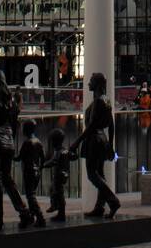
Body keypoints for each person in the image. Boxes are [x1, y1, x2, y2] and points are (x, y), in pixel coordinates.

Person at [0, 70, 32, 232]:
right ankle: (24, 212)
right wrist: (11, 144)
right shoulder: (11, 103)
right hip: (8, 145)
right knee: (8, 181)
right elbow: (15, 127)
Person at [70, 71, 120, 219]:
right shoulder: (107, 100)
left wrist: (76, 142)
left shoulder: (99, 101)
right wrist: (110, 145)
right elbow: (111, 125)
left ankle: (113, 201)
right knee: (100, 174)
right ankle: (99, 207)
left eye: (91, 81)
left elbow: (91, 126)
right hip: (102, 140)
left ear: (97, 84)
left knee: (93, 175)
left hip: (94, 140)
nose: (88, 83)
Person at [16, 119, 46, 227]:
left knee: (30, 196)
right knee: (31, 194)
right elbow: (43, 159)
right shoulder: (38, 141)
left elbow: (19, 158)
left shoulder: (27, 142)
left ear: (26, 129)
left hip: (29, 172)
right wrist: (39, 169)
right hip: (36, 172)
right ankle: (32, 217)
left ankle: (40, 217)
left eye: (23, 127)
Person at [44, 128, 73, 221]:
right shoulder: (65, 150)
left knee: (58, 193)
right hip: (64, 175)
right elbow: (74, 156)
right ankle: (54, 206)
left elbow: (53, 161)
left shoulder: (58, 152)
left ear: (54, 142)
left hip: (59, 176)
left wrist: (44, 165)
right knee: (53, 190)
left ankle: (61, 213)